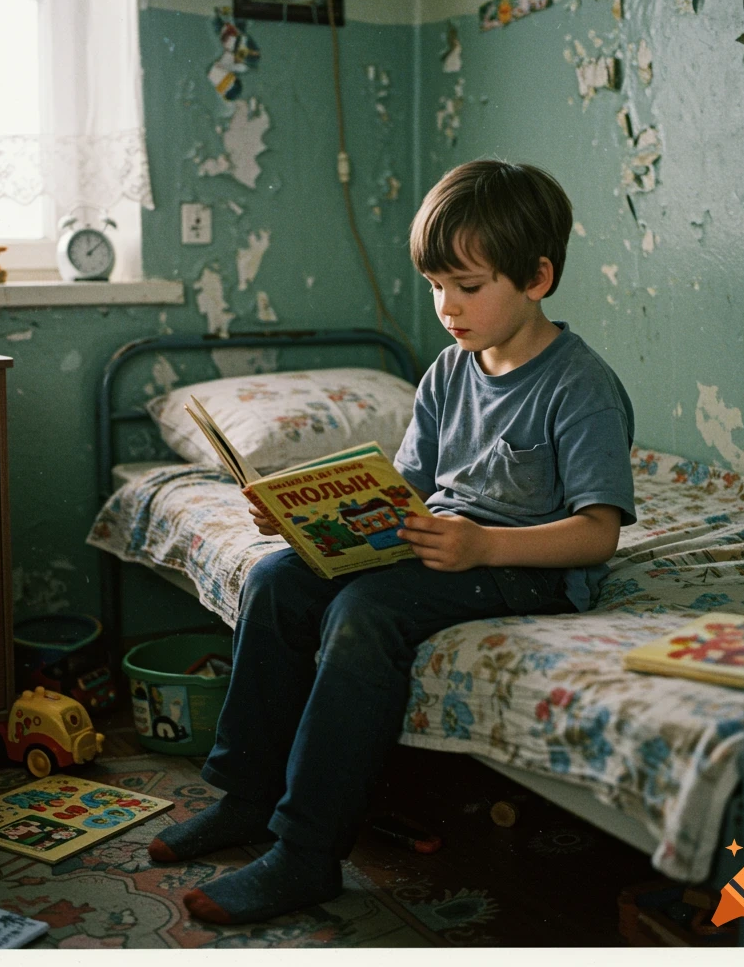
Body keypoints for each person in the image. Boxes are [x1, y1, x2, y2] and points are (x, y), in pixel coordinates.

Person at [147, 159, 637, 925]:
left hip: (523, 567)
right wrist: (307, 514)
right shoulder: (447, 371)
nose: (447, 307)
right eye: (436, 285)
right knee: (276, 578)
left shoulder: (578, 386)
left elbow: (598, 533)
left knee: (365, 612)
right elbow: (405, 485)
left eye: (467, 286)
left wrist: (483, 547)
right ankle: (247, 798)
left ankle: (306, 853)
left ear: (537, 277)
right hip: (436, 540)